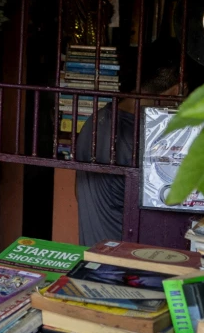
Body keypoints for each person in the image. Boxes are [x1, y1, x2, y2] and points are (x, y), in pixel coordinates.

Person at [74, 57, 182, 247]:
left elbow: (79, 191)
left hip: (94, 250)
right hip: (129, 259)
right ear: (176, 91)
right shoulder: (143, 139)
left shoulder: (94, 121)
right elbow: (165, 209)